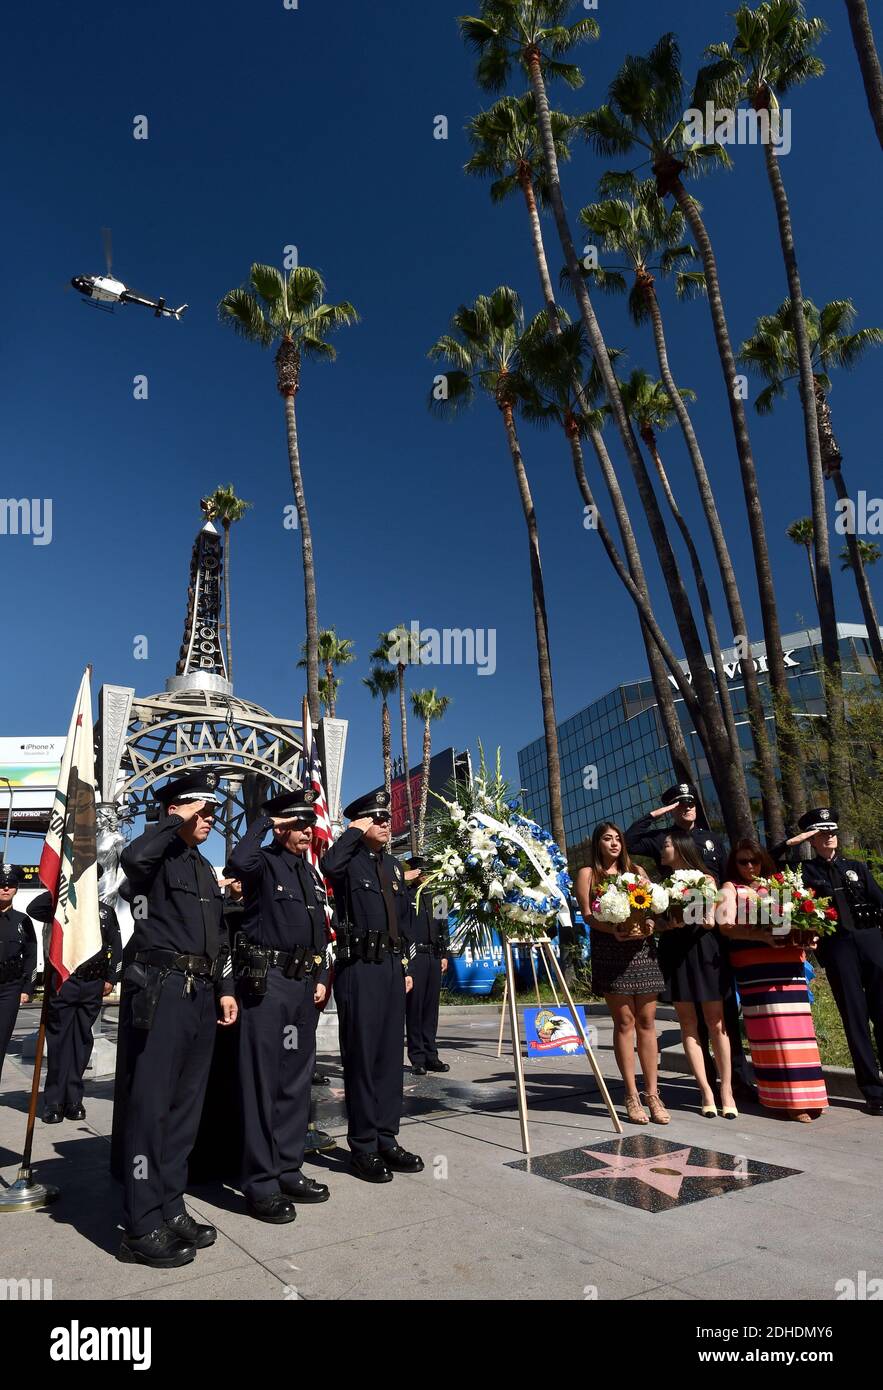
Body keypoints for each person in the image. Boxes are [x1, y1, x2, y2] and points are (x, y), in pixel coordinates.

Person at [116, 769, 238, 1268]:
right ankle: (141, 1225)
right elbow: (131, 859)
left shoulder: (203, 867)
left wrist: (226, 988)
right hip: (163, 991)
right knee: (153, 1109)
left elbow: (221, 933)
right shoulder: (156, 853)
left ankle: (171, 1205)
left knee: (186, 1110)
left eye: (211, 810)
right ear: (177, 811)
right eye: (201, 810)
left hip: (201, 993)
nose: (210, 818)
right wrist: (171, 822)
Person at [228, 787, 332, 1222]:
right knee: (262, 1084)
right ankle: (260, 1182)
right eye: (299, 823)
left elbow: (322, 932)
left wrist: (323, 976)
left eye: (311, 823)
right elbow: (238, 861)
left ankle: (289, 1168)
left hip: (303, 986)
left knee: (294, 1082)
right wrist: (266, 821)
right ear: (282, 826)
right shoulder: (263, 864)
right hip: (267, 984)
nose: (308, 830)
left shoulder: (309, 875)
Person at [626, 782, 753, 1101]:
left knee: (723, 1014)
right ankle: (706, 1084)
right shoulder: (662, 840)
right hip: (679, 935)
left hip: (711, 936)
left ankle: (737, 1080)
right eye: (679, 803)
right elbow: (630, 840)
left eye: (690, 801)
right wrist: (658, 814)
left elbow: (726, 877)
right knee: (691, 1019)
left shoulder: (711, 838)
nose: (687, 806)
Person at [321, 789, 423, 1183]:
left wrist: (405, 964)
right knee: (362, 1058)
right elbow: (328, 865)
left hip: (390, 968)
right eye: (375, 818)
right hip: (359, 969)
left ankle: (386, 1137)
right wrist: (350, 832)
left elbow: (402, 921)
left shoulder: (393, 866)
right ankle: (362, 1146)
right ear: (361, 822)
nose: (384, 823)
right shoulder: (348, 859)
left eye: (386, 818)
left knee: (386, 1058)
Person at [717, 839, 828, 1122]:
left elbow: (805, 913)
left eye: (754, 860)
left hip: (788, 965)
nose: (750, 866)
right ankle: (783, 1101)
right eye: (743, 862)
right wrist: (760, 935)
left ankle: (810, 1096)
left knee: (799, 1031)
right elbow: (726, 927)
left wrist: (808, 932)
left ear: (763, 860)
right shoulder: (730, 889)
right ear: (735, 864)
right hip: (755, 969)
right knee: (771, 1033)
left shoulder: (778, 884)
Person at [783, 809, 883, 1117]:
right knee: (855, 1019)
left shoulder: (856, 867)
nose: (830, 836)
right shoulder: (805, 871)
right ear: (812, 838)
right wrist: (794, 841)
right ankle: (873, 1092)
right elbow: (771, 863)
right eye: (822, 833)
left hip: (871, 942)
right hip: (838, 947)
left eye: (832, 831)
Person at [574, 823, 668, 1126]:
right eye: (607, 838)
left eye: (617, 839)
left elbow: (653, 908)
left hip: (643, 951)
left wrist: (651, 923)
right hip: (611, 951)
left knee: (647, 1022)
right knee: (625, 1021)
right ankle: (630, 1094)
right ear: (598, 844)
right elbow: (588, 916)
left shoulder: (638, 870)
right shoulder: (588, 874)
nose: (614, 843)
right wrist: (614, 929)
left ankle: (653, 1094)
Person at [28, 883, 122, 1123]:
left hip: (92, 983)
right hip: (64, 982)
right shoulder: (62, 909)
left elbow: (117, 946)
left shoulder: (105, 912)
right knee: (58, 1043)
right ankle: (53, 1102)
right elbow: (34, 908)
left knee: (82, 1042)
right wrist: (61, 881)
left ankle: (74, 1100)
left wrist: (111, 977)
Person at [657, 831, 736, 1119]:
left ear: (679, 848)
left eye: (666, 844)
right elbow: (658, 920)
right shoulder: (661, 883)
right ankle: (705, 1090)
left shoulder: (707, 879)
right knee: (688, 1024)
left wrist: (707, 921)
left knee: (716, 1023)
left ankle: (726, 1090)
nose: (662, 849)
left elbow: (715, 917)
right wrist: (667, 924)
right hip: (676, 954)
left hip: (705, 951)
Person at [402, 855, 449, 1076]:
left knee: (431, 1009)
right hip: (416, 955)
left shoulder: (439, 898)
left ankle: (432, 1055)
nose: (426, 876)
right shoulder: (408, 896)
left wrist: (444, 953)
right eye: (422, 872)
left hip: (433, 956)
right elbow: (405, 930)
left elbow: (443, 928)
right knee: (415, 1008)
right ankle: (417, 1057)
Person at [0, 865, 36, 1083]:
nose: (5, 888)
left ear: (16, 889)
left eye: (11, 885)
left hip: (10, 988)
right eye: (2, 885)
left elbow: (31, 957)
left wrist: (27, 988)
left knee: (2, 1038)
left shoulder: (23, 921)